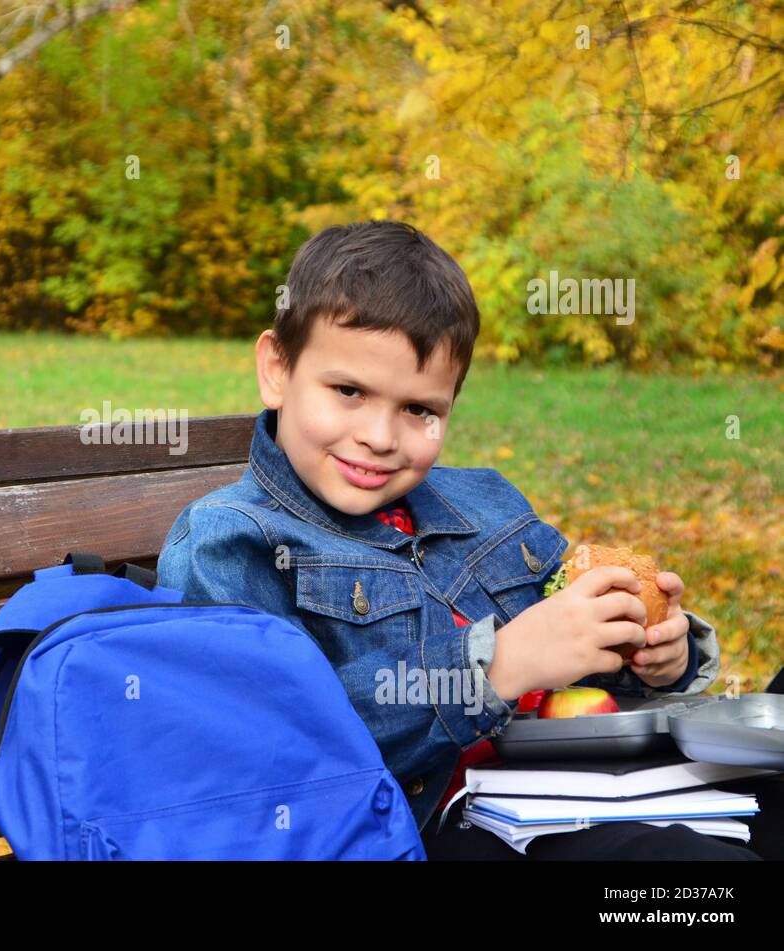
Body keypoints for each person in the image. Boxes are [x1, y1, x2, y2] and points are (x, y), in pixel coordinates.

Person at [157, 220, 769, 860]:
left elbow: (574, 656)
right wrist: (494, 667)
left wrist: (657, 657)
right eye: (349, 391)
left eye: (420, 409)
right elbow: (265, 763)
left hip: (572, 793)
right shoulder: (231, 544)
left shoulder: (481, 501)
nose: (381, 436)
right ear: (277, 369)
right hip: (423, 835)